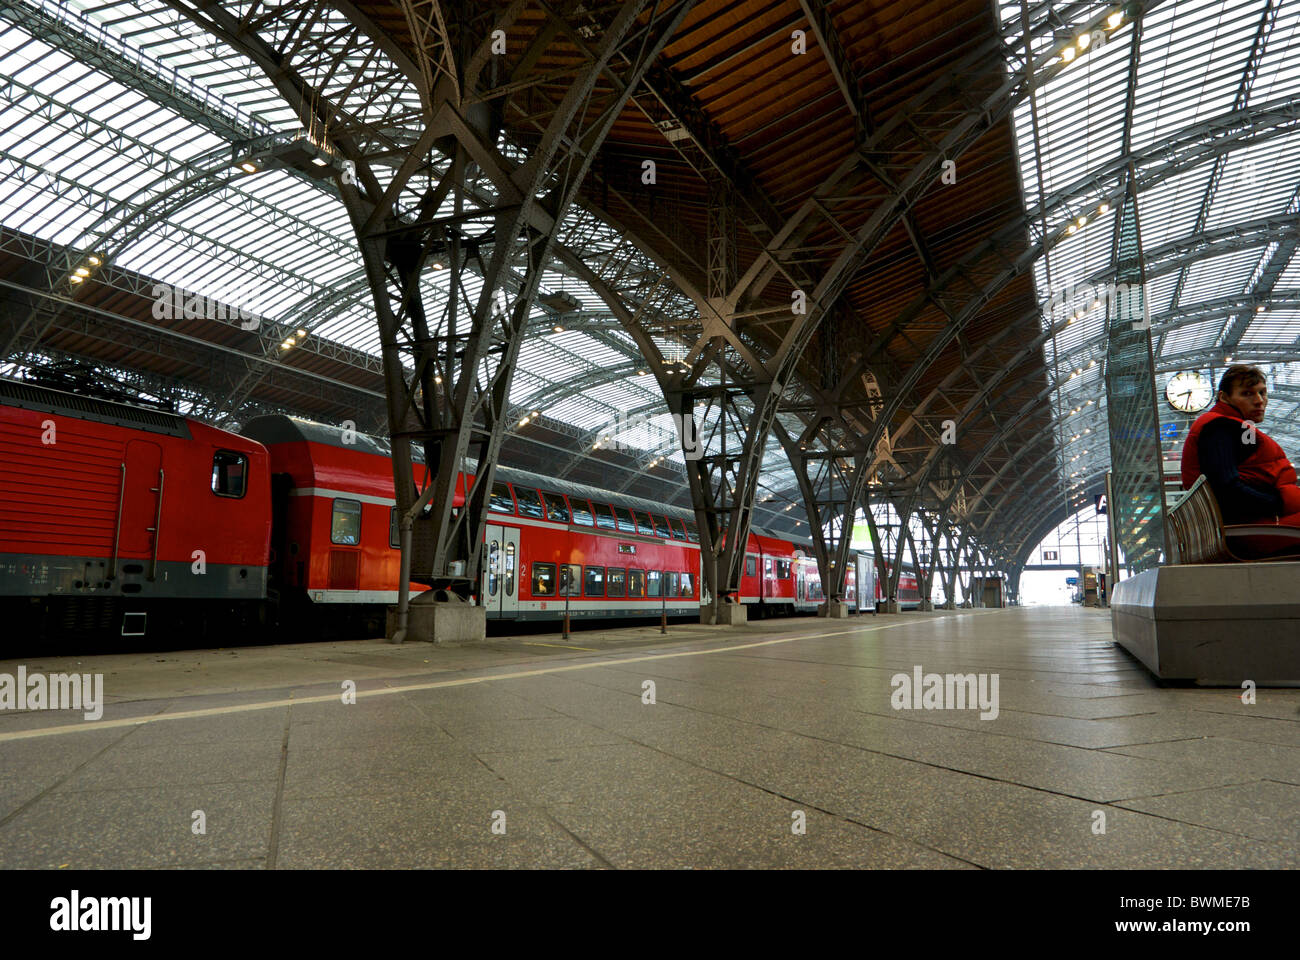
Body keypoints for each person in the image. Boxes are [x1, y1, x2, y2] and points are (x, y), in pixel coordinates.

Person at [1180, 365, 1300, 544]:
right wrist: (1280, 503)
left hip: (1252, 526)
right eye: (1247, 394)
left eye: (1262, 392)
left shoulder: (1236, 427)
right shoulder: (1220, 428)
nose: (1259, 400)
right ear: (1224, 397)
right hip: (1250, 531)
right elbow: (1226, 489)